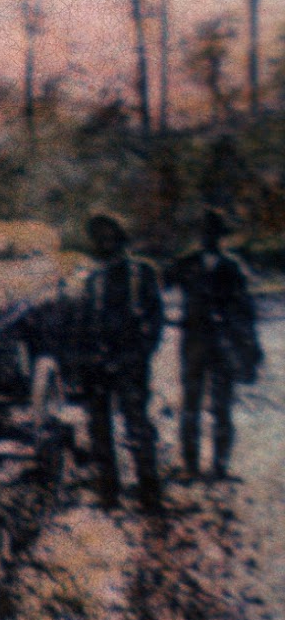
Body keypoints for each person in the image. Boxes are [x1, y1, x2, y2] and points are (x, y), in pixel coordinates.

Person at [164, 208, 262, 480]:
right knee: (191, 406)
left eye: (214, 232)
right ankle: (191, 465)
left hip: (223, 346)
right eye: (204, 232)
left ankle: (220, 466)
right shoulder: (185, 264)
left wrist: (248, 346)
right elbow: (161, 287)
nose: (209, 237)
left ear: (221, 236)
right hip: (194, 343)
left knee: (222, 407)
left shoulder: (232, 267)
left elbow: (246, 309)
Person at [78, 213, 164, 511]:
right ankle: (108, 492)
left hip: (131, 361)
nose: (105, 242)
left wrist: (139, 354)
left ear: (121, 237)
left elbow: (155, 319)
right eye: (99, 237)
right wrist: (90, 357)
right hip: (99, 364)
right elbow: (86, 321)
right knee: (100, 429)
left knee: (137, 425)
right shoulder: (92, 278)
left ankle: (149, 491)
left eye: (110, 235)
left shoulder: (142, 273)